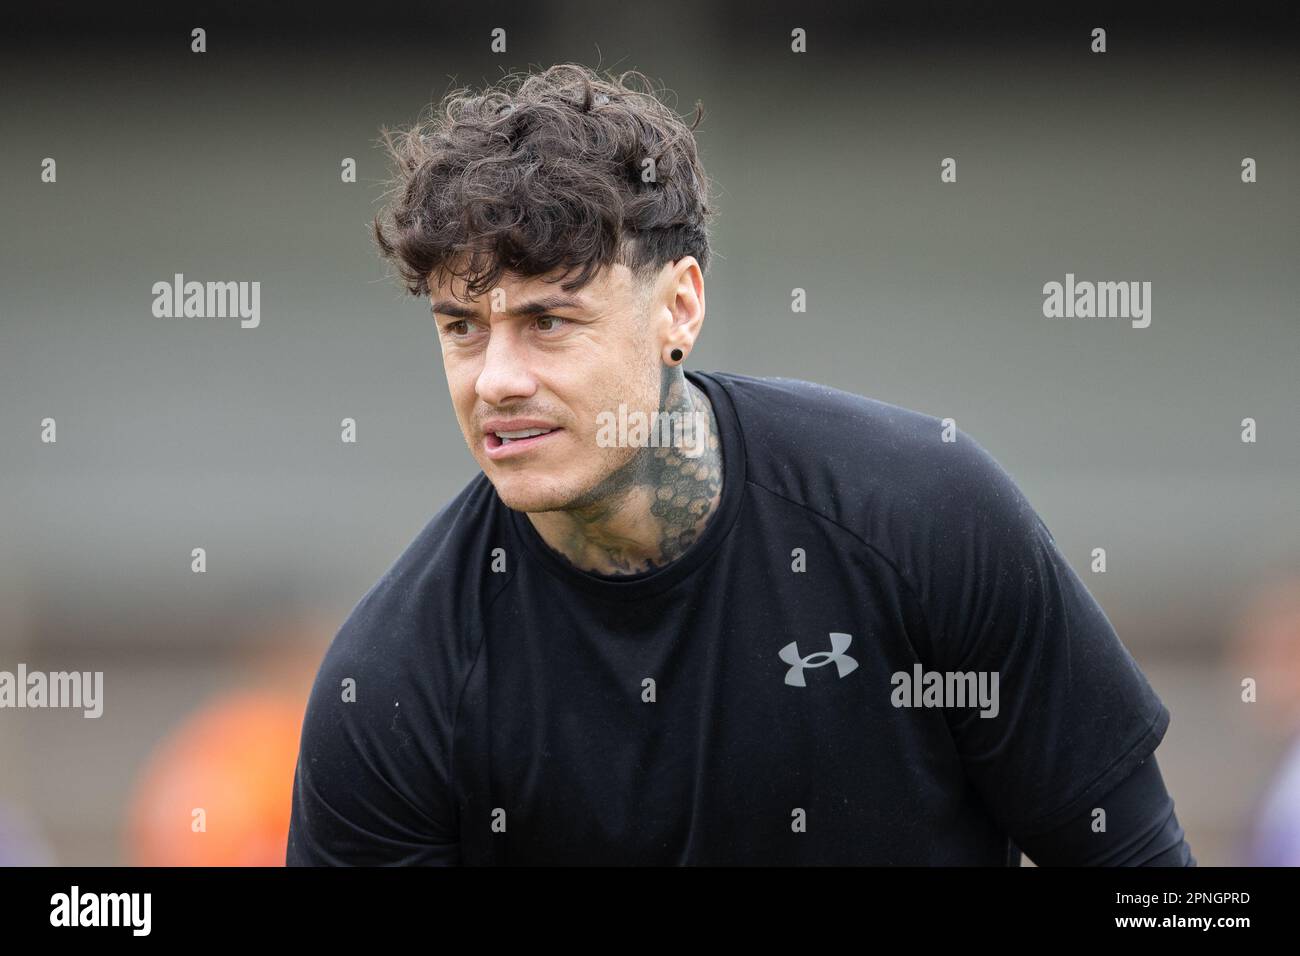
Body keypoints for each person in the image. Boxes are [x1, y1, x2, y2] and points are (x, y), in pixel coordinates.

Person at [286, 63, 1193, 865]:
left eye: (548, 322)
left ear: (679, 307)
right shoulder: (397, 683)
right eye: (461, 329)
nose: (496, 380)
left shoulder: (923, 518)